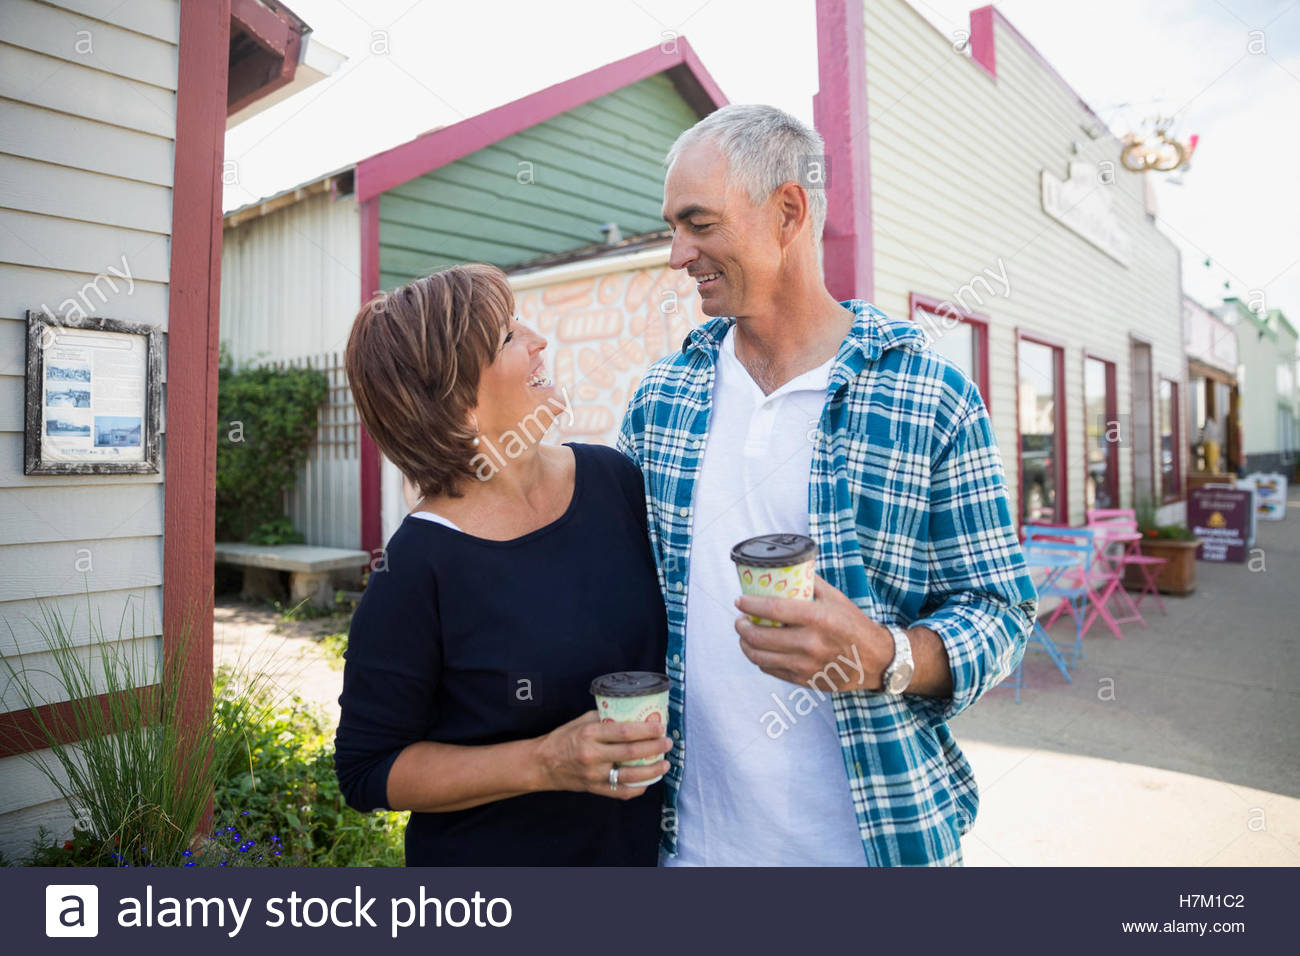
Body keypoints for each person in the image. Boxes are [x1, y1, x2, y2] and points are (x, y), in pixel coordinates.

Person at [617, 105, 1038, 866]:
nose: (678, 254)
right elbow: (615, 590)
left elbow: (1001, 611)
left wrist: (886, 655)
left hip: (874, 850)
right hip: (684, 851)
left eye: (699, 223)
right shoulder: (661, 399)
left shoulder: (929, 397)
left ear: (788, 211)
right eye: (673, 228)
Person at [334, 264, 672, 866]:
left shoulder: (615, 481)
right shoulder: (416, 567)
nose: (539, 339)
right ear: (461, 405)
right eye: (509, 338)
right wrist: (544, 761)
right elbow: (368, 769)